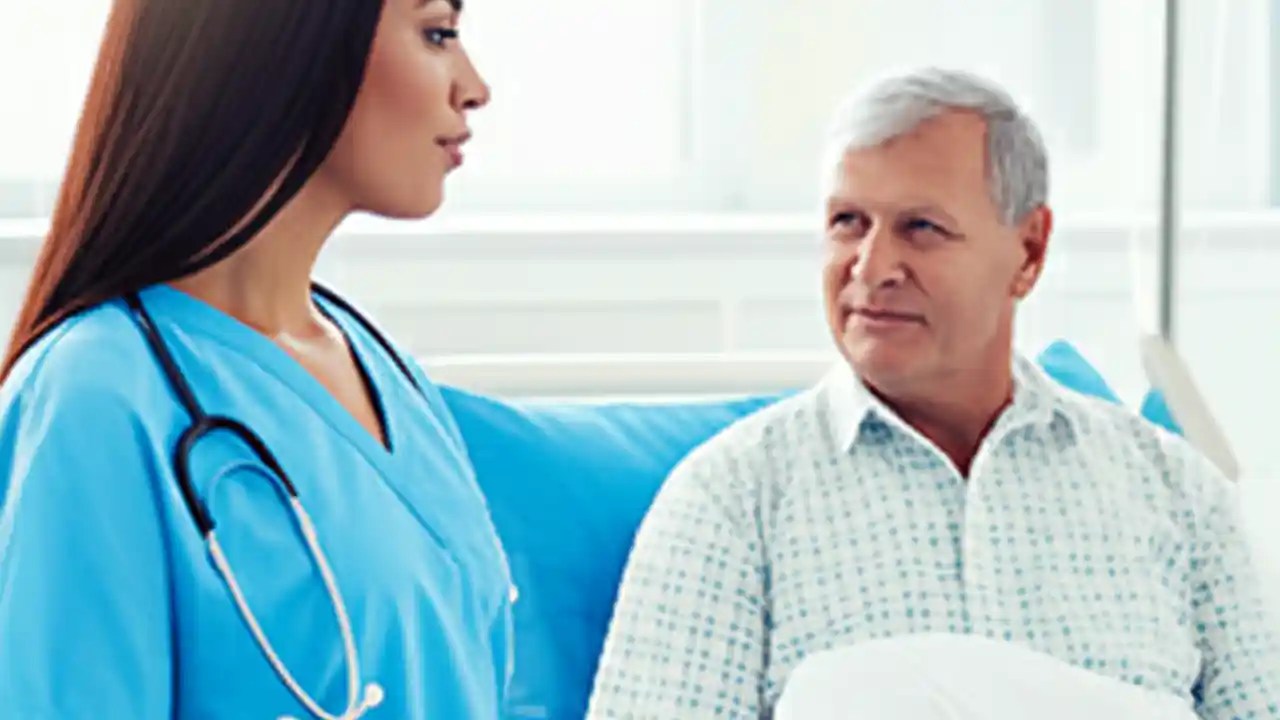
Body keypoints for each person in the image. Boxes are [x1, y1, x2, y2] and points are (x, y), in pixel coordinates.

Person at [587, 68, 1280, 719]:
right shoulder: (731, 500)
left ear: (1030, 252)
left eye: (921, 228)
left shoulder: (1179, 494)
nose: (873, 266)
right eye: (848, 222)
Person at [0, 1, 510, 718]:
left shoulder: (381, 367)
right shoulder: (97, 394)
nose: (474, 85)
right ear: (290, 39)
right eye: (437, 33)